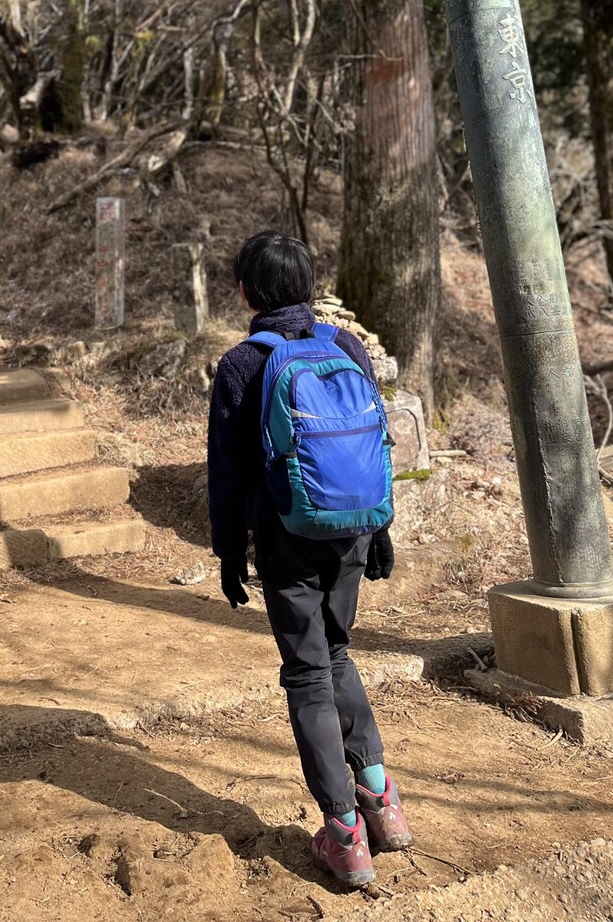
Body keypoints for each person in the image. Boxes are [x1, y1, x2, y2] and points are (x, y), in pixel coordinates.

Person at [208, 230, 410, 889]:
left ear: (246, 292)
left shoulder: (243, 364)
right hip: (353, 530)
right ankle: (382, 803)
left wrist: (229, 553)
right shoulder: (346, 346)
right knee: (338, 653)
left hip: (286, 536)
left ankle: (345, 836)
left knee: (306, 672)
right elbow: (375, 442)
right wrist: (381, 529)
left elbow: (228, 475)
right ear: (308, 286)